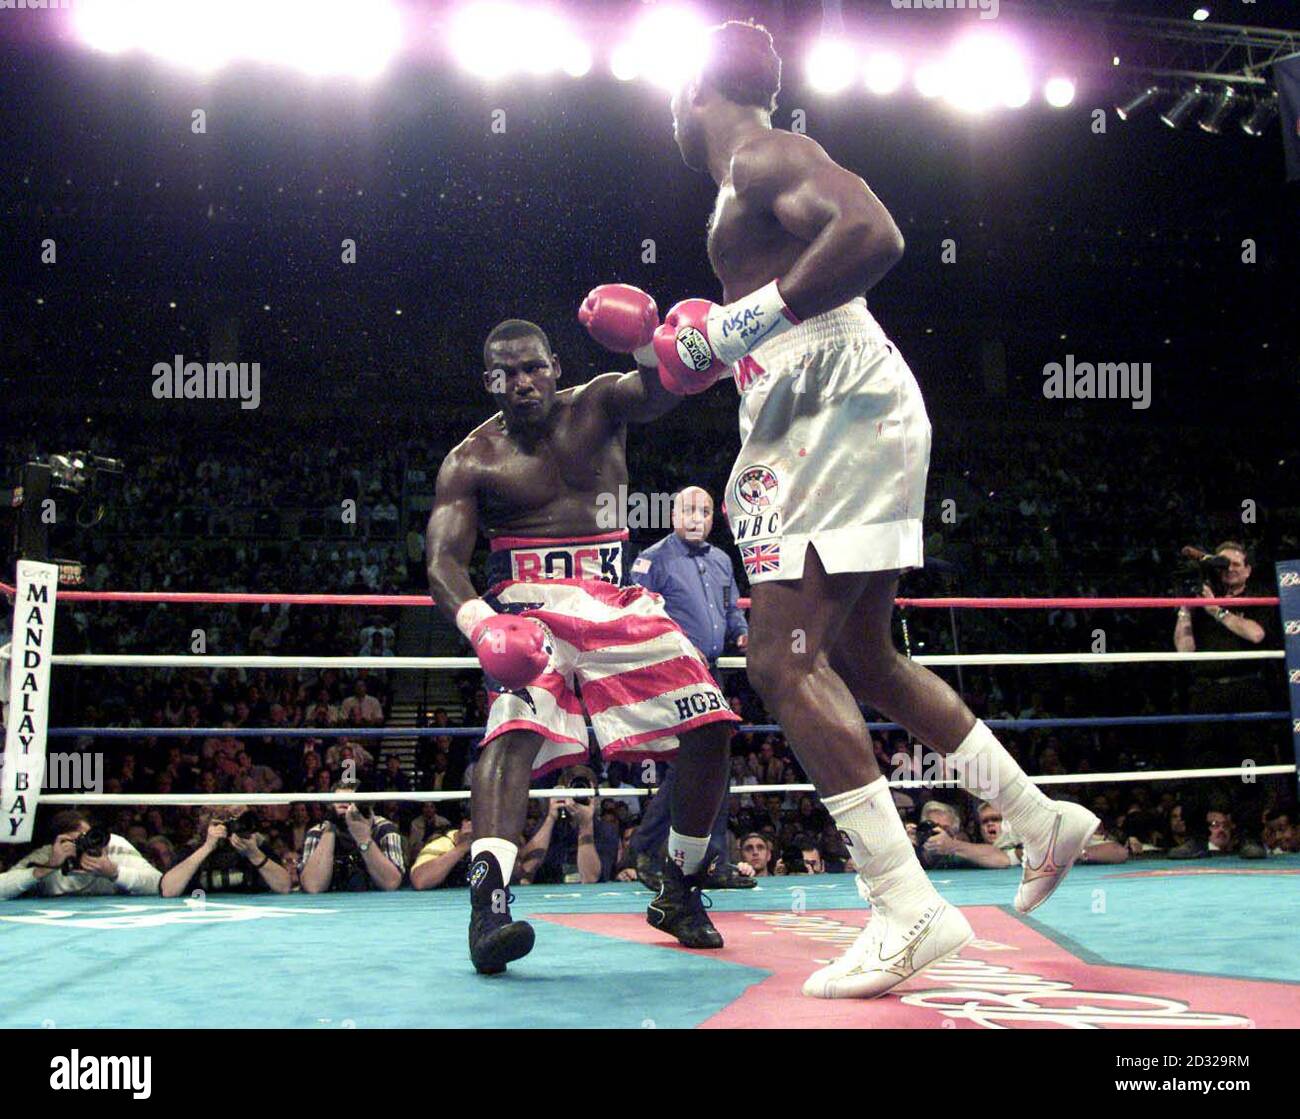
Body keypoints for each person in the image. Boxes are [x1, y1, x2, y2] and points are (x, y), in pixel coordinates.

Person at [654, 19, 1099, 999]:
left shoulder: (765, 153)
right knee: (861, 654)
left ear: (695, 94)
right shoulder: (752, 180)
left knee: (778, 657)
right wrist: (717, 341)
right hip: (837, 397)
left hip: (826, 397)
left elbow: (874, 233)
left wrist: (735, 323)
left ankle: (903, 905)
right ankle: (1034, 817)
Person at [425, 307, 739, 974]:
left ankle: (679, 885)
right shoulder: (470, 460)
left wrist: (649, 349)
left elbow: (658, 391)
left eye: (534, 367)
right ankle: (489, 907)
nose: (523, 382)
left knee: (711, 722)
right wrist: (479, 622)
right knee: (513, 727)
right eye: (506, 373)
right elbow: (442, 562)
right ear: (489, 381)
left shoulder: (597, 404)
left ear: (556, 368)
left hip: (613, 597)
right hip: (526, 603)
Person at [626, 485, 753, 890]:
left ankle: (704, 860)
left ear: (713, 518)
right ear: (673, 515)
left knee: (711, 764)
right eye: (688, 510)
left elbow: (731, 608)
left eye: (704, 512)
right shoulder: (653, 559)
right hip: (672, 671)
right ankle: (649, 848)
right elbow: (637, 613)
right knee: (695, 763)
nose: (696, 518)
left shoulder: (720, 560)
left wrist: (743, 634)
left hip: (711, 671)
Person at [1171, 541, 1276, 859]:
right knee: (1197, 768)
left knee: (1249, 766)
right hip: (1206, 692)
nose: (1229, 569)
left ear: (1248, 569)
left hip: (1246, 690)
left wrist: (1216, 610)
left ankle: (1249, 837)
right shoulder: (1202, 600)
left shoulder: (1258, 598)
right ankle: (1195, 839)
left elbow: (1256, 634)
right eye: (1223, 564)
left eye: (1235, 564)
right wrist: (1186, 610)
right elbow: (1184, 652)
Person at [0, 810, 161, 899]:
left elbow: (158, 883)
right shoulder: (49, 856)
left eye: (88, 836)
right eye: (76, 841)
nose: (86, 844)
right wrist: (43, 870)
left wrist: (114, 872)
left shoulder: (113, 846)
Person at [298, 781, 405, 893]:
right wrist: (330, 830)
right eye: (339, 803)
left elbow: (391, 883)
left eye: (350, 802)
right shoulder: (317, 832)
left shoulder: (384, 829)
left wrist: (363, 838)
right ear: (330, 806)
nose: (346, 809)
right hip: (332, 901)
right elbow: (313, 887)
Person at [161, 809, 290, 896]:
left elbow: (284, 887)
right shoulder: (194, 848)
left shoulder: (255, 845)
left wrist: (254, 854)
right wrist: (207, 847)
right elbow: (168, 890)